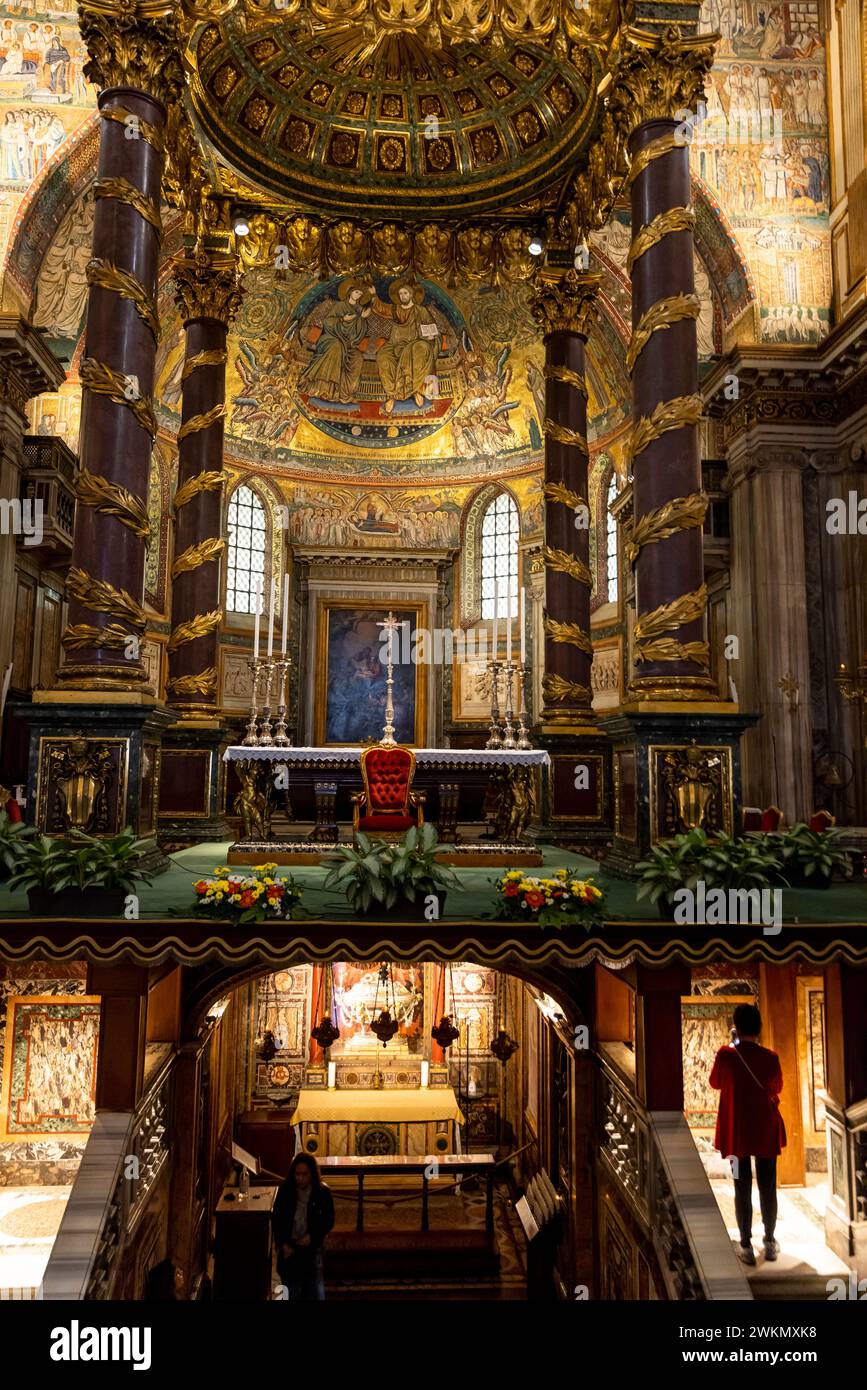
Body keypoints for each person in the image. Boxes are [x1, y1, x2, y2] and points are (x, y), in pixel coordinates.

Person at [709, 1003, 786, 1266]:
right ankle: (769, 1240)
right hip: (764, 1132)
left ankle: (745, 1245)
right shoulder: (771, 1058)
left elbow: (715, 1083)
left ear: (736, 1027)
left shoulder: (726, 1055)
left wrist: (732, 1045)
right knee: (767, 1186)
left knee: (741, 1186)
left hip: (737, 1135)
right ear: (759, 1027)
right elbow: (777, 1087)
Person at [272, 1153, 334, 1300]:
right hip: (290, 1249)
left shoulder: (322, 1192)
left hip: (312, 1248)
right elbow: (277, 1220)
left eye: (304, 1175)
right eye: (297, 1174)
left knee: (314, 1291)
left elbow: (328, 1220)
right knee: (291, 1292)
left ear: (312, 1174)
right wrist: (282, 1244)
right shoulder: (285, 1191)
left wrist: (312, 1236)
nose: (300, 1178)